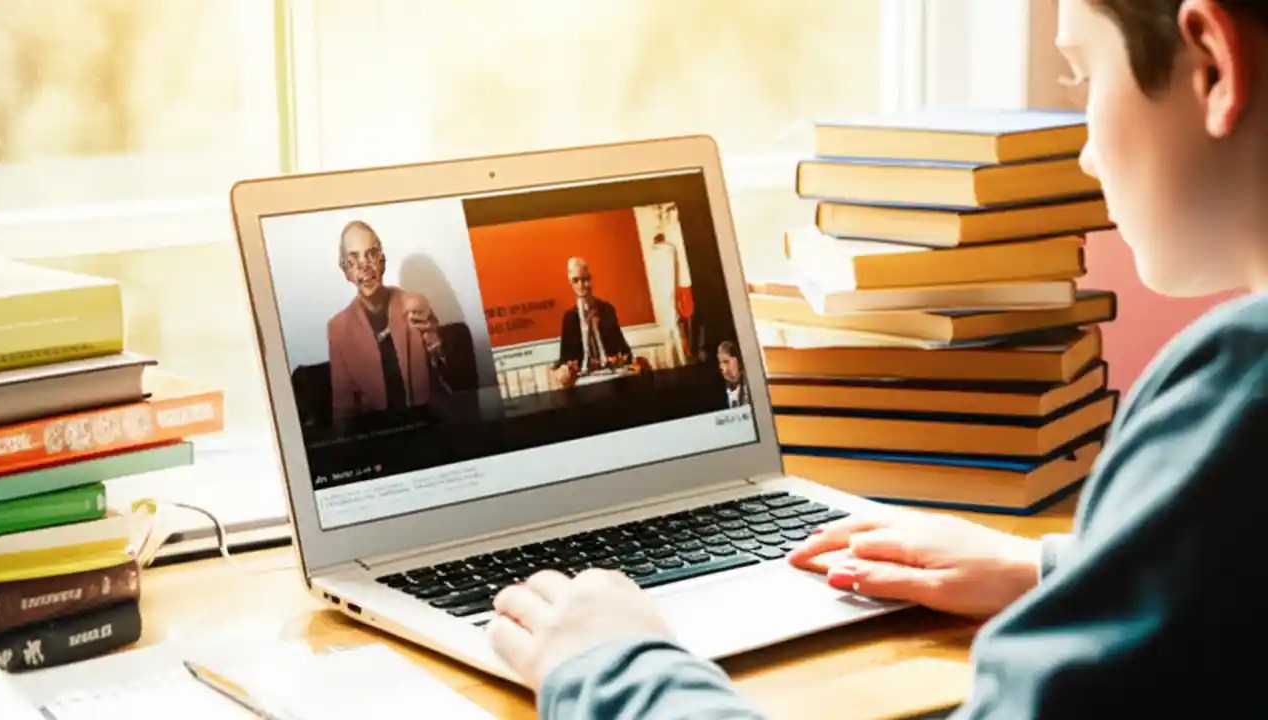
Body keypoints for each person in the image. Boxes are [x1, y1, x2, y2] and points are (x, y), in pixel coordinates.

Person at [484, 0, 1268, 717]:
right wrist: (1072, 573)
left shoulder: (1242, 384)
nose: (1089, 155)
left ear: (1210, 67)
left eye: (1084, 76)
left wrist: (613, 665)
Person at [326, 220, 445, 426]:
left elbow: (445, 375)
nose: (365, 266)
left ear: (382, 261)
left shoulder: (413, 304)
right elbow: (343, 408)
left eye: (371, 254)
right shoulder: (338, 328)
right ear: (346, 272)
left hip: (426, 425)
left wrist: (436, 348)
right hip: (379, 435)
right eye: (353, 260)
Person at [552, 256, 633, 387]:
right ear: (570, 284)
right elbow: (565, 358)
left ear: (590, 279)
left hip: (612, 373)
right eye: (575, 280)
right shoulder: (569, 318)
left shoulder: (606, 309)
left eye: (584, 280)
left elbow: (624, 350)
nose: (581, 285)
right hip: (584, 379)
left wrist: (619, 358)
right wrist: (564, 369)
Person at [717, 340, 748, 408]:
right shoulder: (720, 390)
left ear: (738, 361)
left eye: (726, 362)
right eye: (720, 363)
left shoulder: (749, 385)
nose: (722, 368)